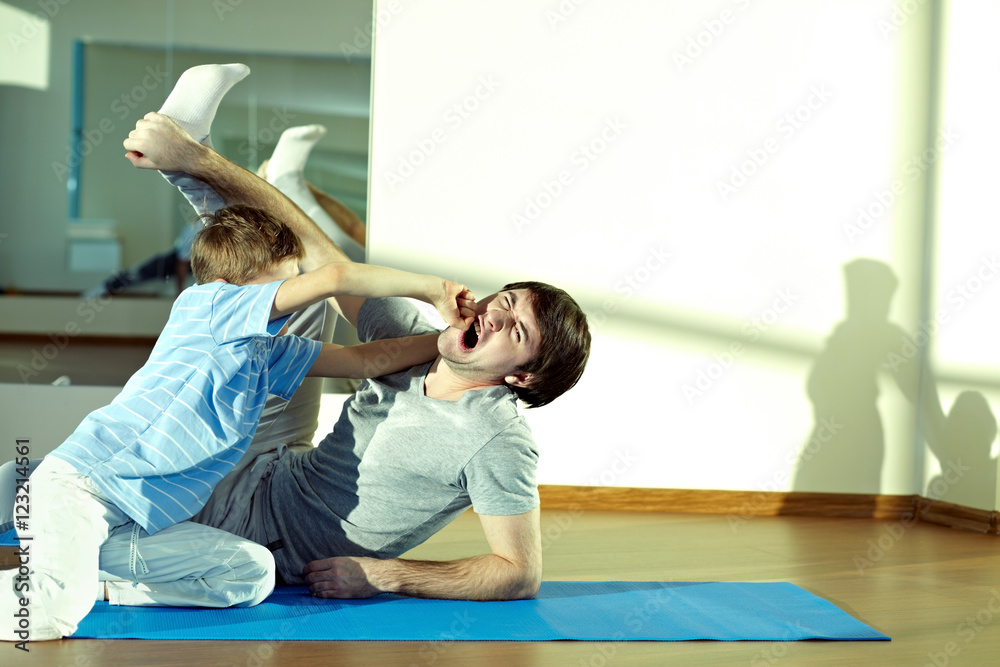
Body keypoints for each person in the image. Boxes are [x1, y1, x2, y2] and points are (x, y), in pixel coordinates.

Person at [118, 76, 591, 603]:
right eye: (502, 302)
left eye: (516, 328)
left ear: (523, 375)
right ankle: (185, 151)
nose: (494, 316)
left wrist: (389, 575)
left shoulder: (497, 441)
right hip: (277, 457)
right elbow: (324, 262)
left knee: (98, 509)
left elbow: (518, 573)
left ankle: (185, 156)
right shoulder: (417, 337)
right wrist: (202, 163)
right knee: (280, 276)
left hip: (256, 529)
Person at [0, 199, 476, 642]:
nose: (294, 307)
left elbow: (364, 360)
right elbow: (332, 277)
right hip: (86, 489)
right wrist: (434, 290)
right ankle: (56, 561)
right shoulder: (208, 307)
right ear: (237, 286)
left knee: (251, 573)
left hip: (136, 521)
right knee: (48, 616)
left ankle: (100, 581)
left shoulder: (267, 352)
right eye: (283, 287)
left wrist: (447, 341)